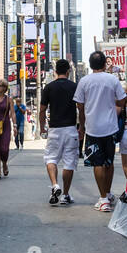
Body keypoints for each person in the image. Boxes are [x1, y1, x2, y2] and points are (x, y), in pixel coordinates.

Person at [75, 51, 127, 213]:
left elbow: (80, 107)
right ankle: (108, 193)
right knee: (109, 162)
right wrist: (114, 110)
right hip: (110, 127)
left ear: (90, 65)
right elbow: (122, 100)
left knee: (97, 163)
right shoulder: (112, 79)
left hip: (92, 128)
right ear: (105, 64)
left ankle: (103, 198)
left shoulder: (84, 81)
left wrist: (82, 127)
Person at [40, 60, 79, 206]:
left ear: (55, 71)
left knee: (51, 159)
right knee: (69, 162)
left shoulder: (49, 87)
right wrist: (82, 128)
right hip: (70, 129)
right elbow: (81, 108)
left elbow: (42, 109)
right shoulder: (74, 86)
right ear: (68, 71)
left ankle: (55, 185)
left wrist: (42, 126)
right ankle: (66, 195)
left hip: (54, 129)